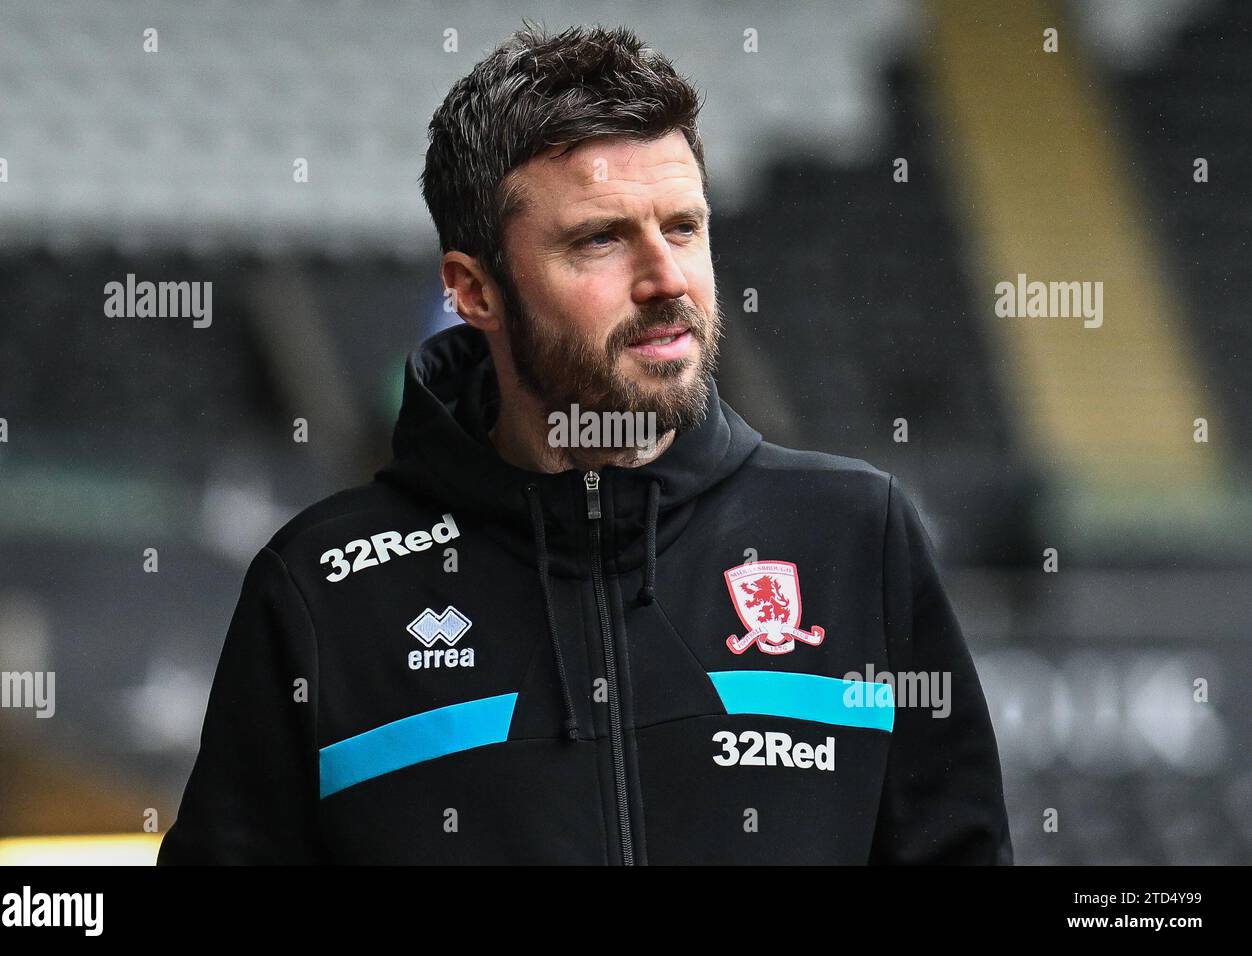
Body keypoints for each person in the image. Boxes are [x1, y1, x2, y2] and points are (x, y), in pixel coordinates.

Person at [158, 22, 1012, 865]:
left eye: (683, 227)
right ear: (475, 290)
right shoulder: (321, 590)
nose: (666, 278)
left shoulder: (856, 534)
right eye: (601, 238)